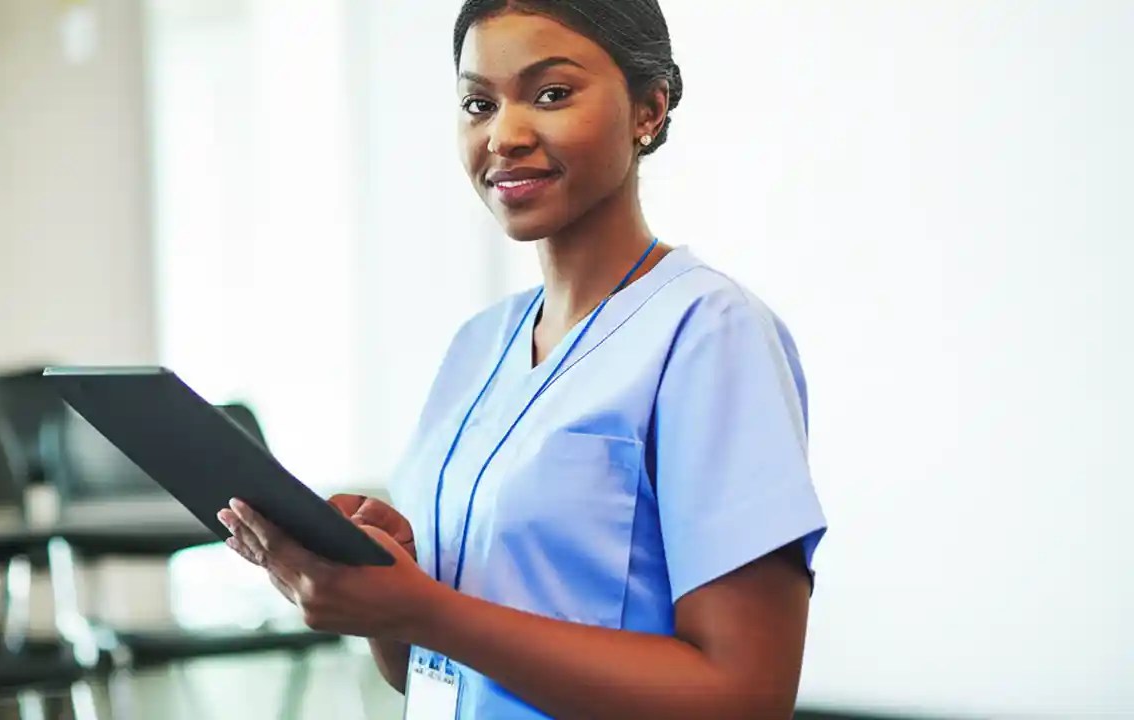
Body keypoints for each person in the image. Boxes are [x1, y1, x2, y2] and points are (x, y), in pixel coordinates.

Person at [217, 0, 826, 717]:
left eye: (551, 94)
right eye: (479, 103)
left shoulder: (709, 333)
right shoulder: (479, 347)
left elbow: (745, 697)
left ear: (649, 110)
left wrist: (426, 611)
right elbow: (433, 671)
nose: (504, 135)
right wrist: (385, 590)